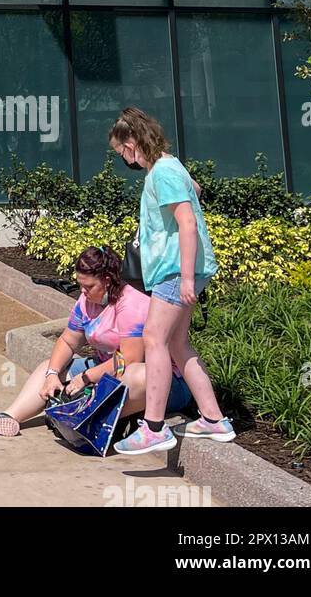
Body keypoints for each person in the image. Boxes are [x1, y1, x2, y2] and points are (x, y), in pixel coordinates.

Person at [108, 107, 234, 454]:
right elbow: (195, 188)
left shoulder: (161, 174)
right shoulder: (170, 165)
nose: (124, 159)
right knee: (177, 344)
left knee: (154, 339)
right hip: (180, 269)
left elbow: (187, 223)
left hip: (175, 270)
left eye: (122, 152)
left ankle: (153, 427)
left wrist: (187, 279)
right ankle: (213, 419)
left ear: (132, 143)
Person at [0, 245, 192, 437]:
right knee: (49, 366)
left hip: (163, 384)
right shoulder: (85, 302)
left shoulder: (131, 304)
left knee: (139, 374)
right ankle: (10, 417)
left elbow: (129, 360)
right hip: (109, 372)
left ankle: (82, 420)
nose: (83, 291)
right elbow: (68, 341)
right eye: (80, 285)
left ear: (108, 280)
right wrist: (53, 374)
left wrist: (85, 377)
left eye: (89, 286)